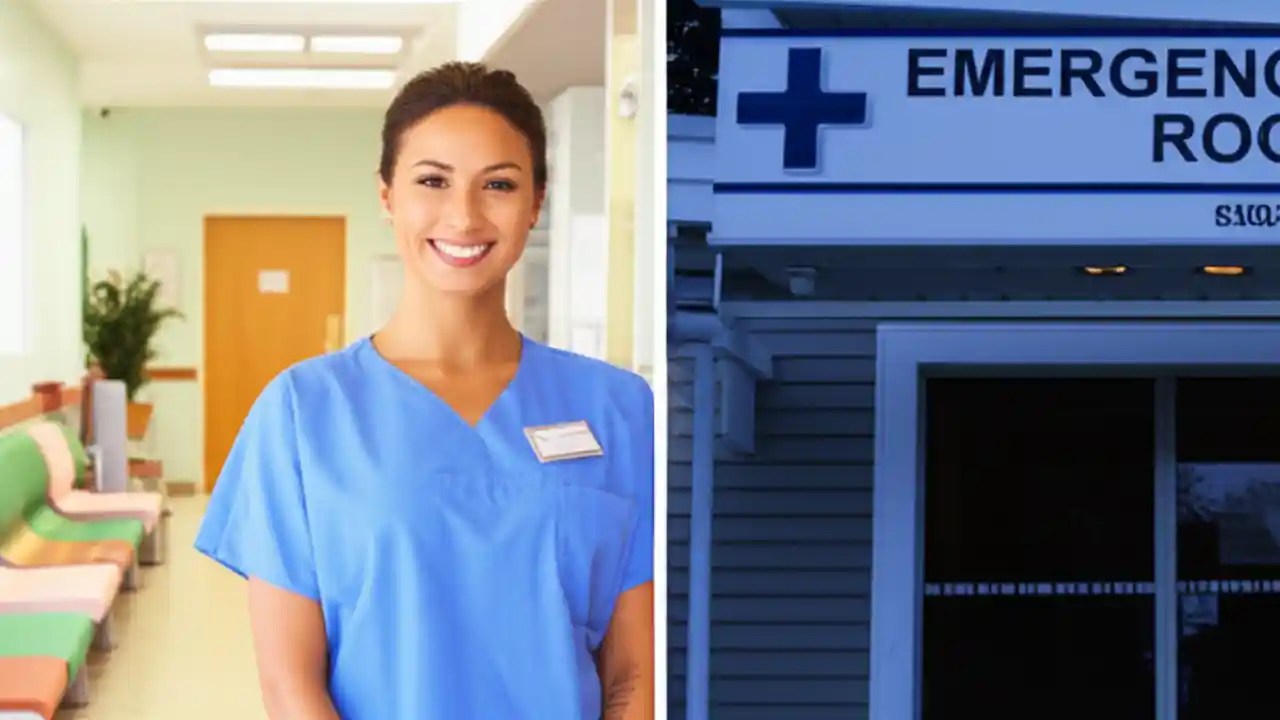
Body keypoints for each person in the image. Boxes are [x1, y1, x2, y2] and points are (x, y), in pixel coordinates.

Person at [194, 61, 654, 720]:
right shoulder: (303, 411)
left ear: (536, 205)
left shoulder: (617, 409)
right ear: (387, 197)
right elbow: (291, 688)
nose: (463, 215)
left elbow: (633, 678)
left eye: (498, 183)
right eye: (432, 181)